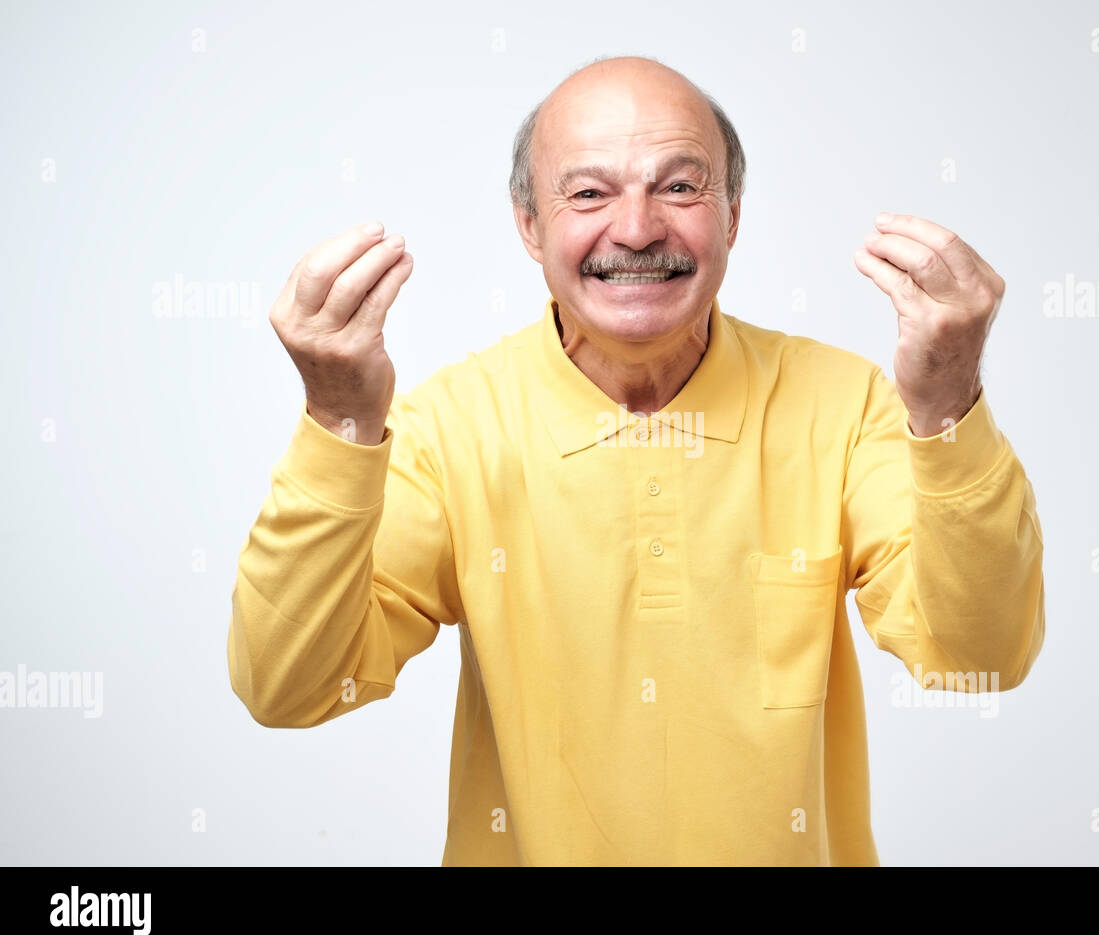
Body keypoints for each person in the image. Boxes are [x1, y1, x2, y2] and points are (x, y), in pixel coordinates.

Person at [227, 54, 1046, 866]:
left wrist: (947, 399)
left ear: (731, 217)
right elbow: (290, 688)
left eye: (680, 186)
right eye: (587, 192)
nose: (637, 227)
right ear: (528, 225)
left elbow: (980, 657)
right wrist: (339, 419)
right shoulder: (452, 428)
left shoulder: (843, 404)